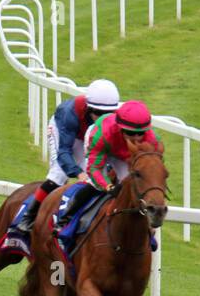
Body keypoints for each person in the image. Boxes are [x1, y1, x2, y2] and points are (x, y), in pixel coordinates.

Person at [12, 78, 120, 235]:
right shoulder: (69, 113)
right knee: (59, 173)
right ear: (89, 109)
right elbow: (64, 151)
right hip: (68, 134)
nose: (104, 118)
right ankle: (28, 217)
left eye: (109, 114)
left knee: (103, 177)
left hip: (91, 137)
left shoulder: (117, 115)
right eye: (98, 113)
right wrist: (78, 173)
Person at [53, 99, 163, 237]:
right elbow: (94, 169)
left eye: (140, 133)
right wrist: (108, 186)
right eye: (130, 133)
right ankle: (65, 220)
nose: (136, 138)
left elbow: (151, 171)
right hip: (104, 146)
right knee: (94, 184)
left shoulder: (152, 140)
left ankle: (144, 226)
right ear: (120, 128)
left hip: (125, 155)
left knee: (131, 185)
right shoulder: (101, 134)